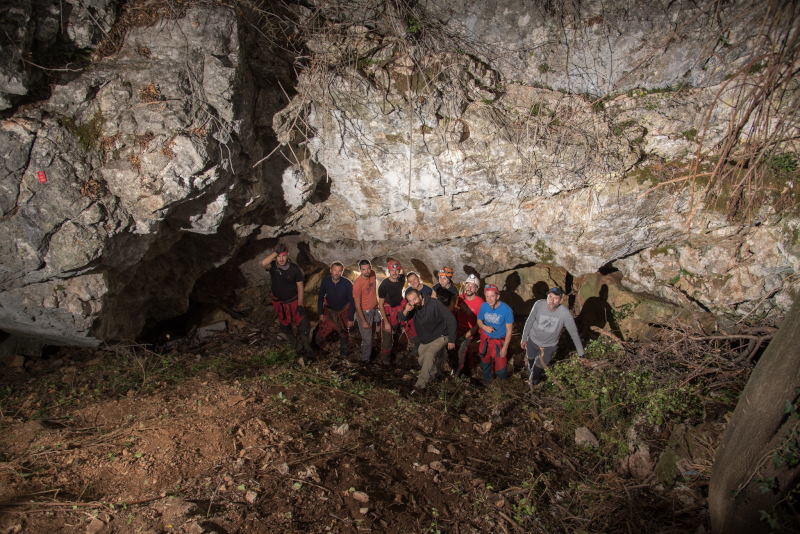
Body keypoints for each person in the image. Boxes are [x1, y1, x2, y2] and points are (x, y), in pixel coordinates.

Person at [521, 286, 585, 386]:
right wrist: (524, 338)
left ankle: (533, 384)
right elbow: (529, 321)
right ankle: (531, 378)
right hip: (532, 341)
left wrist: (581, 354)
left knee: (537, 370)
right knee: (530, 363)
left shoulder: (564, 313)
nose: (552, 300)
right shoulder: (539, 304)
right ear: (547, 296)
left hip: (548, 347)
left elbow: (574, 333)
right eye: (550, 296)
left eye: (556, 298)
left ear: (561, 300)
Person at [398, 287, 457, 390]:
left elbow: (451, 319)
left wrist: (452, 339)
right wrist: (406, 310)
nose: (413, 302)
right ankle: (435, 374)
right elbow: (402, 318)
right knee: (422, 360)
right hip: (426, 339)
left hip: (441, 335)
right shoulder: (413, 307)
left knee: (430, 354)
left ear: (420, 296)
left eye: (415, 299)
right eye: (410, 301)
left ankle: (420, 385)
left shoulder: (434, 303)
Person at [260, 243, 312, 356]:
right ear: (275, 257)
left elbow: (300, 286)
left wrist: (300, 304)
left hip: (293, 301)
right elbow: (263, 263)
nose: (281, 259)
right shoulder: (273, 266)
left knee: (303, 322)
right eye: (279, 256)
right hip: (280, 303)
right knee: (285, 325)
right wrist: (275, 252)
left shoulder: (294, 269)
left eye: (283, 256)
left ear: (287, 255)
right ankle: (294, 346)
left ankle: (307, 347)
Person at [316, 261, 356, 357]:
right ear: (331, 270)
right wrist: (320, 313)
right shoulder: (326, 280)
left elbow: (352, 301)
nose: (337, 273)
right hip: (330, 310)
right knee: (322, 331)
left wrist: (351, 318)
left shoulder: (347, 283)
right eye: (335, 270)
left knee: (344, 333)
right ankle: (319, 351)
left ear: (342, 272)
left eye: (339, 271)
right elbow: (321, 297)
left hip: (343, 311)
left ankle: (344, 355)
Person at [476, 284, 514, 383]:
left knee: (501, 368)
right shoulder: (484, 306)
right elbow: (479, 321)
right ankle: (488, 383)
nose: (489, 299)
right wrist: (484, 327)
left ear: (497, 296)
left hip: (499, 341)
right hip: (486, 340)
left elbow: (509, 331)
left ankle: (502, 386)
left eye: (492, 296)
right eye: (487, 296)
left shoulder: (506, 310)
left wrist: (505, 348)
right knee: (485, 363)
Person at [377, 259, 406, 365]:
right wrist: (386, 322)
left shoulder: (401, 279)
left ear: (399, 270)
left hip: (398, 310)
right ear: (389, 271)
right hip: (388, 313)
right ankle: (384, 360)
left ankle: (395, 355)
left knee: (398, 335)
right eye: (392, 270)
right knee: (387, 339)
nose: (395, 272)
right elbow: (380, 305)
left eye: (397, 270)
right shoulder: (384, 285)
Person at [455, 274, 484, 375]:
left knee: (462, 348)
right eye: (468, 285)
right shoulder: (459, 298)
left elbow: (478, 325)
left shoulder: (480, 303)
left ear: (476, 289)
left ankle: (460, 371)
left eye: (472, 286)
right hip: (457, 328)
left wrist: (465, 336)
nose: (469, 288)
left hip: (471, 331)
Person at [352, 259, 380, 363]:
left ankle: (372, 354)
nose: (367, 271)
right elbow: (357, 305)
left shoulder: (373, 274)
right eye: (364, 269)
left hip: (374, 309)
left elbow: (373, 290)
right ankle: (365, 361)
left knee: (373, 335)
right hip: (364, 313)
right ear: (360, 270)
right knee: (367, 340)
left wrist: (376, 305)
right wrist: (363, 321)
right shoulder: (357, 284)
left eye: (368, 268)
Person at [402, 272, 433, 352]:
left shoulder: (428, 290)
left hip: (426, 318)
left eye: (414, 279)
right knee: (416, 340)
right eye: (410, 281)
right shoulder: (408, 291)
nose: (413, 282)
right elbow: (407, 307)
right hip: (414, 319)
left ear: (418, 278)